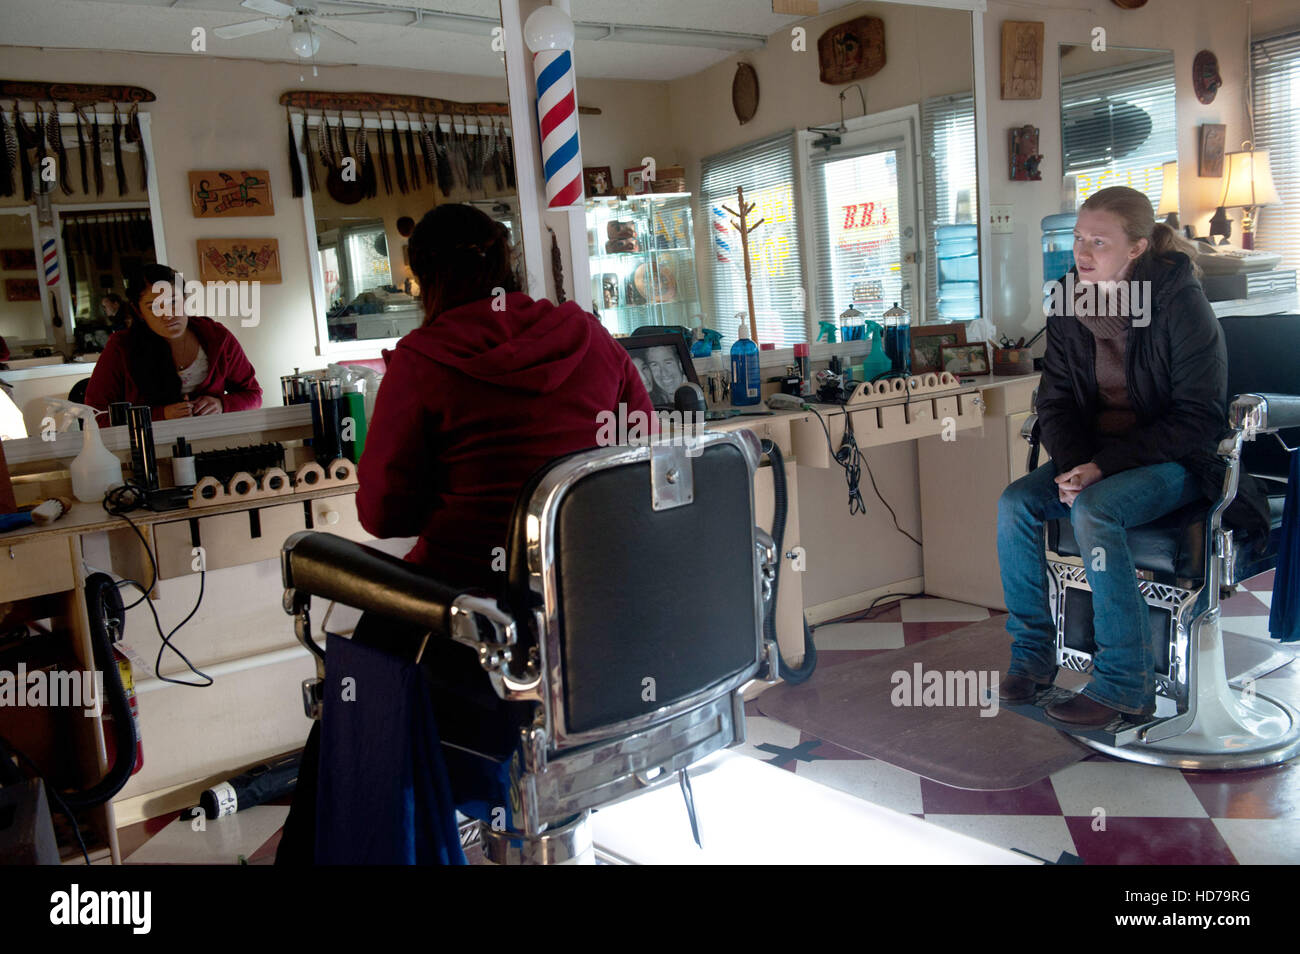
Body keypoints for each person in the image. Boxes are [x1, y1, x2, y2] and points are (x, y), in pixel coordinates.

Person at [277, 204, 654, 864]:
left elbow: (384, 513)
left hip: (480, 640)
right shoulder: (588, 336)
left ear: (423, 279)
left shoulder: (424, 361)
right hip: (602, 637)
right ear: (506, 263)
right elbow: (640, 459)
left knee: (355, 697)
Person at [996, 186, 1269, 727]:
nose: (1084, 252)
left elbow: (1198, 417)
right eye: (1078, 239)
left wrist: (1099, 473)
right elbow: (1055, 401)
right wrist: (1076, 466)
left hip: (1180, 461)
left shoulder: (1179, 302)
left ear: (1137, 248)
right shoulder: (1071, 301)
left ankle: (1125, 684)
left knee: (1096, 509)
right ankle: (1032, 656)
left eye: (1100, 241)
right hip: (1098, 459)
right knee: (1015, 505)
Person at [84, 265, 262, 421]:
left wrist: (221, 404)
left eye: (173, 301)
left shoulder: (217, 336)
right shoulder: (122, 346)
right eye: (154, 306)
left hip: (213, 439)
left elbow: (253, 395)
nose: (167, 314)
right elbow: (96, 414)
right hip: (150, 446)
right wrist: (161, 415)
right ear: (139, 311)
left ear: (185, 299)